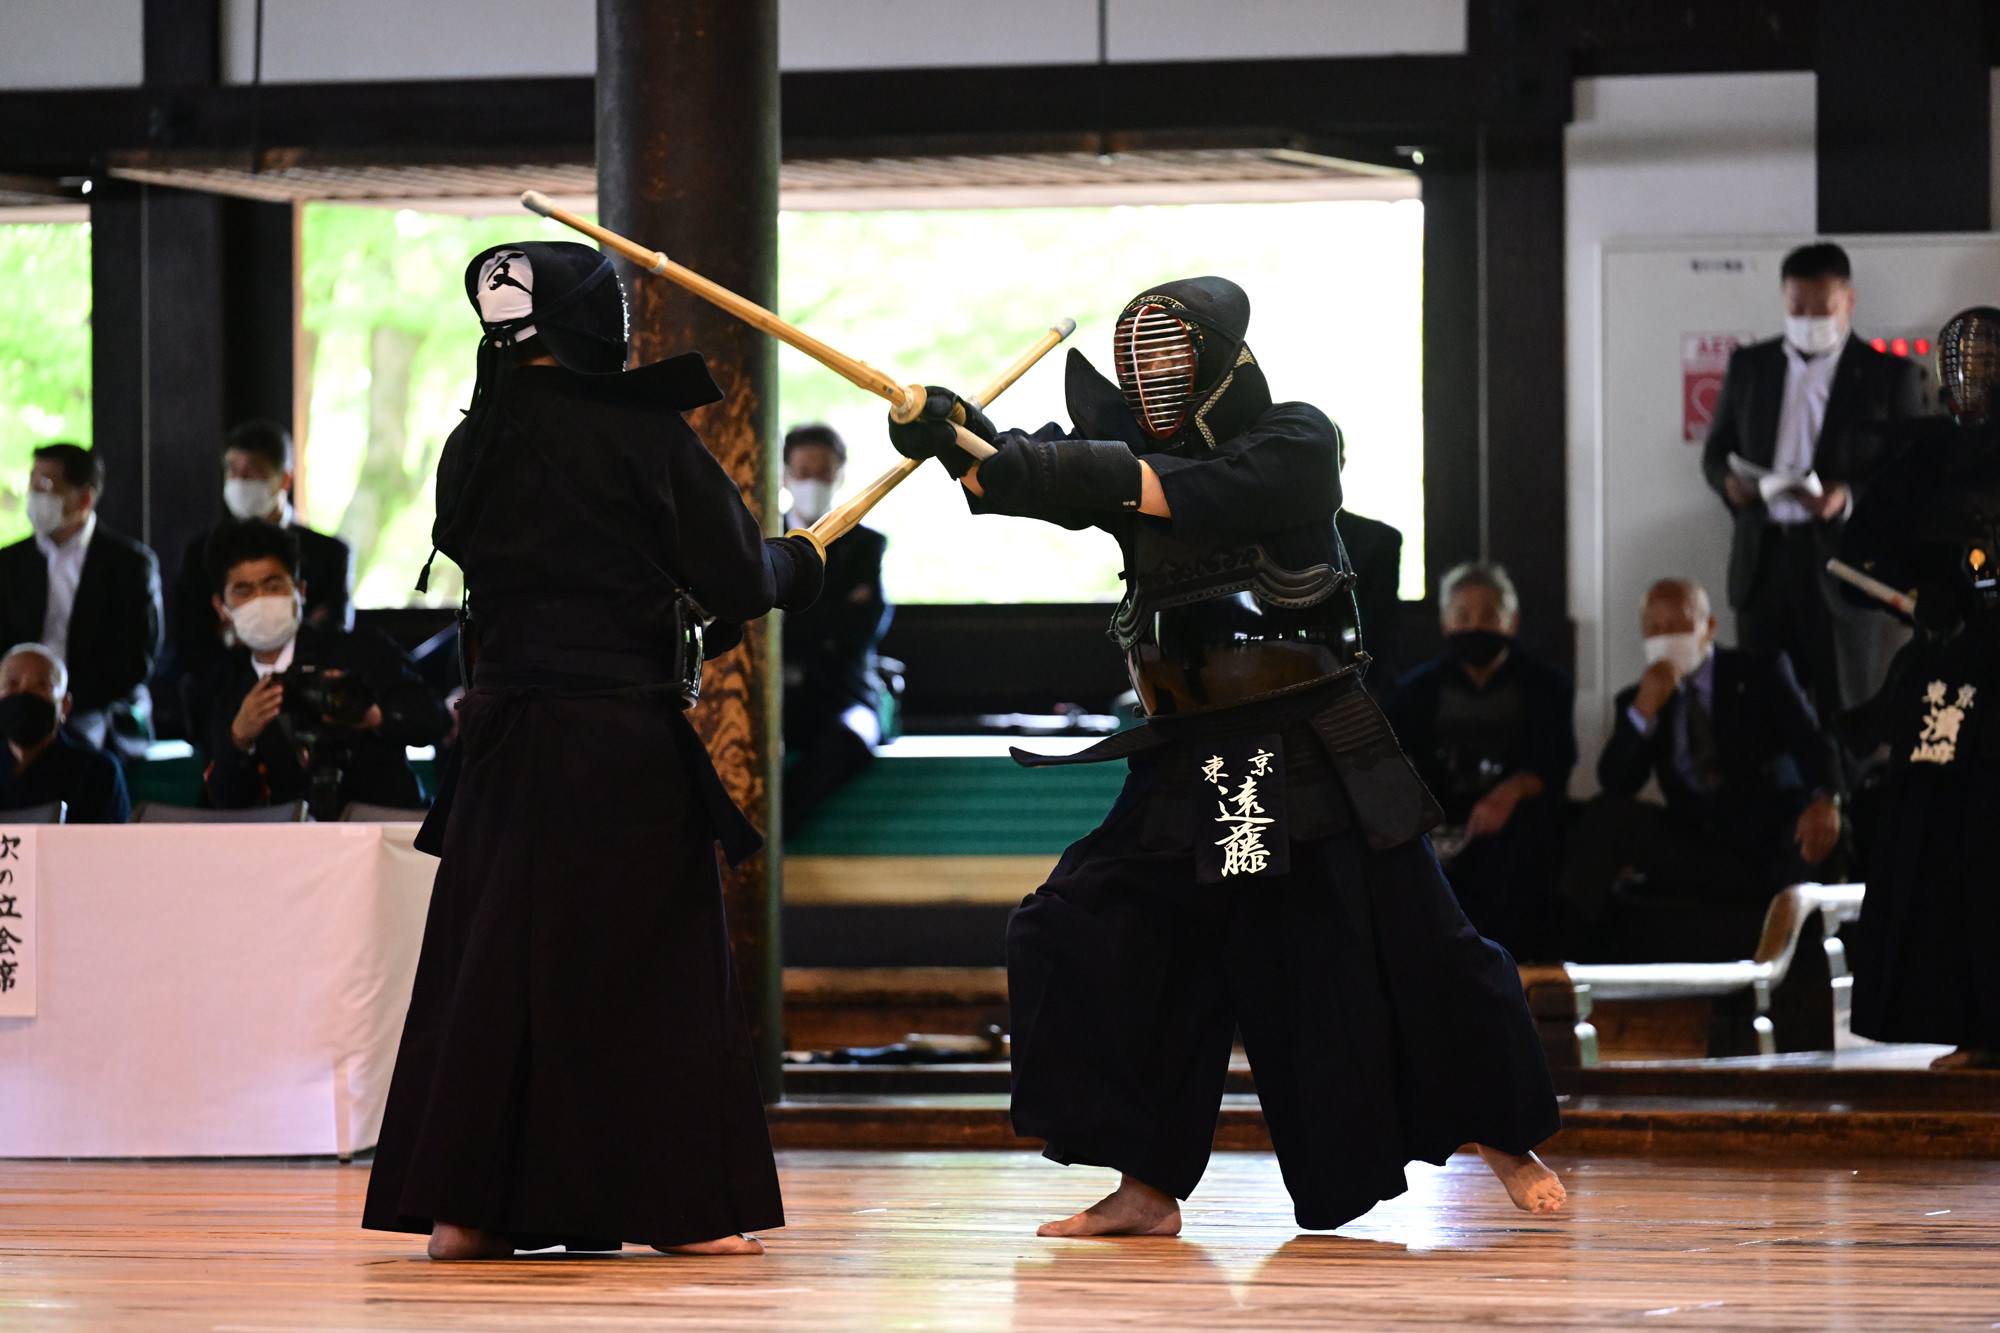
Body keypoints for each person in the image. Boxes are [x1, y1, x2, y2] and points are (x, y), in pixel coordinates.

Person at [890, 276, 1563, 1237]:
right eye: (1138, 362)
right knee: (1094, 927)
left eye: (1171, 356)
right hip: (1197, 760)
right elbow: (1026, 478)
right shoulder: (1137, 459)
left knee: (1416, 946)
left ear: (1222, 362)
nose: (1152, 377)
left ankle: (1504, 1133)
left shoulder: (1294, 440)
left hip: (1310, 746)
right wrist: (953, 440)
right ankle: (1148, 1183)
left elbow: (1170, 489)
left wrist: (1031, 463)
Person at [363, 240, 823, 1260]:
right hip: (614, 740)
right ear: (591, 322)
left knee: (497, 965)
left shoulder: (469, 444)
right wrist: (801, 562)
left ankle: (468, 1208)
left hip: (496, 744)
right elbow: (740, 578)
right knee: (644, 969)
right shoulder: (640, 433)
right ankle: (683, 1213)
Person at [1836, 307, 2000, 1070]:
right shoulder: (1922, 463)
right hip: (1951, 676)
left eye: (1991, 363)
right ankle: (1971, 1021)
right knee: (1949, 845)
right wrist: (1916, 595)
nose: (1979, 380)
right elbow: (1854, 559)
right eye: (1967, 367)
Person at [1557, 577, 1841, 962]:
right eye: (1654, 629)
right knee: (1605, 816)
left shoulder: (1760, 673)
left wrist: (1825, 798)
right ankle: (1565, 961)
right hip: (1694, 840)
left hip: (1764, 838)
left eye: (1677, 626)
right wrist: (1643, 712)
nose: (1665, 638)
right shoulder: (1639, 698)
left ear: (1708, 628)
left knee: (1827, 828)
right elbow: (1617, 781)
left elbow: (1811, 741)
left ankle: (1795, 956)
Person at [1701, 242, 1924, 725]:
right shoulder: (1750, 366)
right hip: (1763, 561)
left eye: (1822, 308)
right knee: (1761, 715)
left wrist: (1847, 498)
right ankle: (1777, 802)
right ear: (1783, 299)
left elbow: (1915, 472)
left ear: (1849, 301)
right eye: (1797, 308)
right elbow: (1716, 452)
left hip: (1842, 570)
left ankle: (1843, 800)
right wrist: (1729, 486)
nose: (1808, 318)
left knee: (1845, 713)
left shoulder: (1891, 376)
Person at [1385, 562, 1575, 959]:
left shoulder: (1546, 684)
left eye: (1490, 616)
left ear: (1512, 621)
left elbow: (1555, 759)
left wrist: (1511, 792)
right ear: (1444, 622)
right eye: (1463, 616)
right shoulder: (1417, 690)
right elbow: (1392, 761)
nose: (1476, 627)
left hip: (1519, 820)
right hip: (1440, 817)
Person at [200, 520, 449, 817]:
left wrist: (374, 716)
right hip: (289, 847)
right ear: (221, 607)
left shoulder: (358, 651)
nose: (260, 601)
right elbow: (223, 804)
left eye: (273, 585)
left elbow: (436, 720)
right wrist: (239, 739)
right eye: (244, 590)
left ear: (300, 590)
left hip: (384, 829)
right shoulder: (223, 688)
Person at [166, 421, 354, 729]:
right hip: (223, 701)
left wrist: (240, 633)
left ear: (284, 479)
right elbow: (191, 639)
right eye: (232, 470)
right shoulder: (201, 551)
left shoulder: (329, 553)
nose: (239, 481)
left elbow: (333, 633)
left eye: (251, 472)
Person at [0, 443, 163, 756]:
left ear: (85, 498)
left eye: (46, 486)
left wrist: (59, 697)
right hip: (19, 698)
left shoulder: (130, 565)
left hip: (97, 704)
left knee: (75, 749)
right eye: (32, 483)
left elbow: (135, 659)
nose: (33, 495)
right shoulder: (10, 562)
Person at [779, 423, 891, 841]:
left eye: (823, 472)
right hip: (777, 697)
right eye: (803, 471)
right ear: (784, 476)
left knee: (848, 741)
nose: (813, 483)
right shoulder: (758, 538)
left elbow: (862, 629)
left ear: (839, 474)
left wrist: (789, 616)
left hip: (843, 695)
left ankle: (771, 834)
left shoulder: (865, 545)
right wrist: (832, 611)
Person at [0, 643, 129, 823]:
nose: (23, 693)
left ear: (65, 706)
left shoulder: (97, 773)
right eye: (11, 683)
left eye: (40, 685)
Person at [1333, 433, 1405, 695]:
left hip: (1362, 688)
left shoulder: (1378, 541)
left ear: (1339, 464)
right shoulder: (1258, 539)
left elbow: (1382, 632)